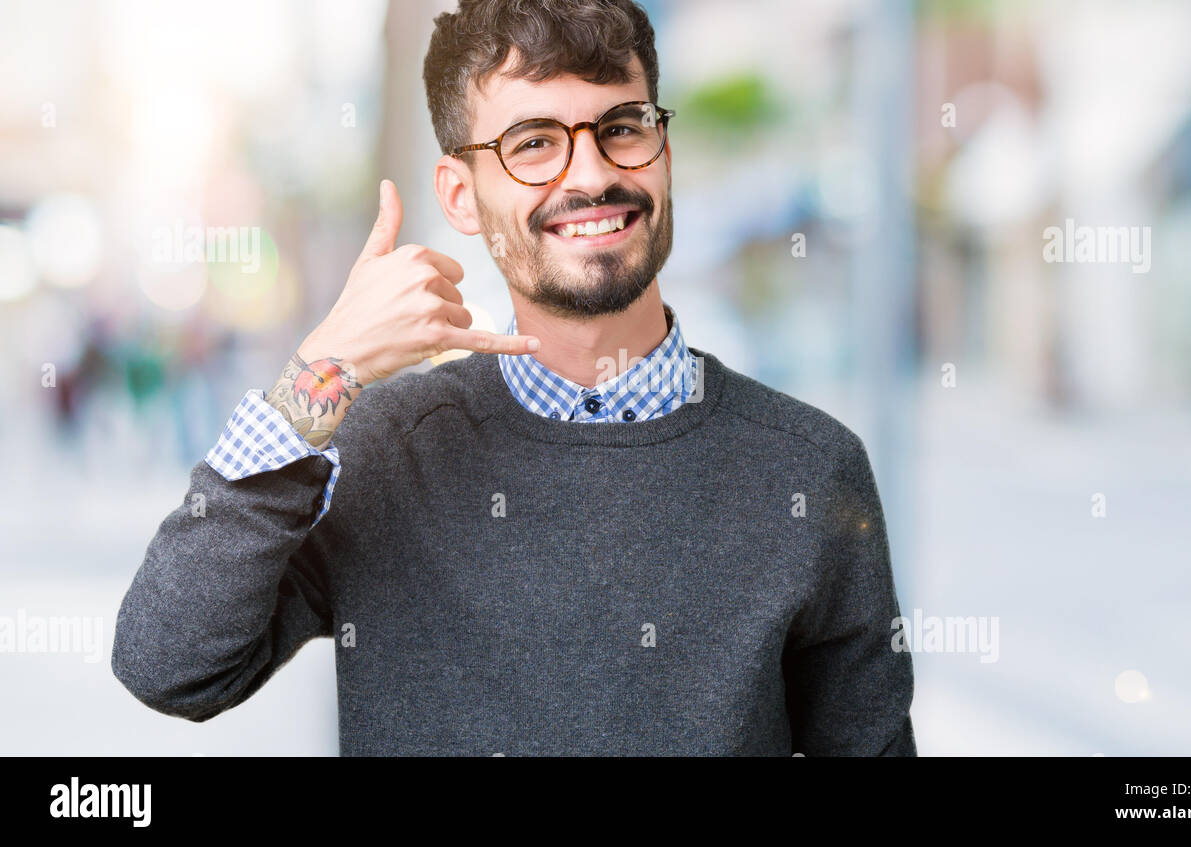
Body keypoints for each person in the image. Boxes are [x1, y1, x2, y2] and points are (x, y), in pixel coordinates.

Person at [111, 0, 917, 756]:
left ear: (663, 154)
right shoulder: (381, 450)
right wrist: (322, 372)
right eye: (534, 142)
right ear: (461, 195)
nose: (591, 175)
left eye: (622, 128)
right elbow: (169, 662)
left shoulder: (810, 467)